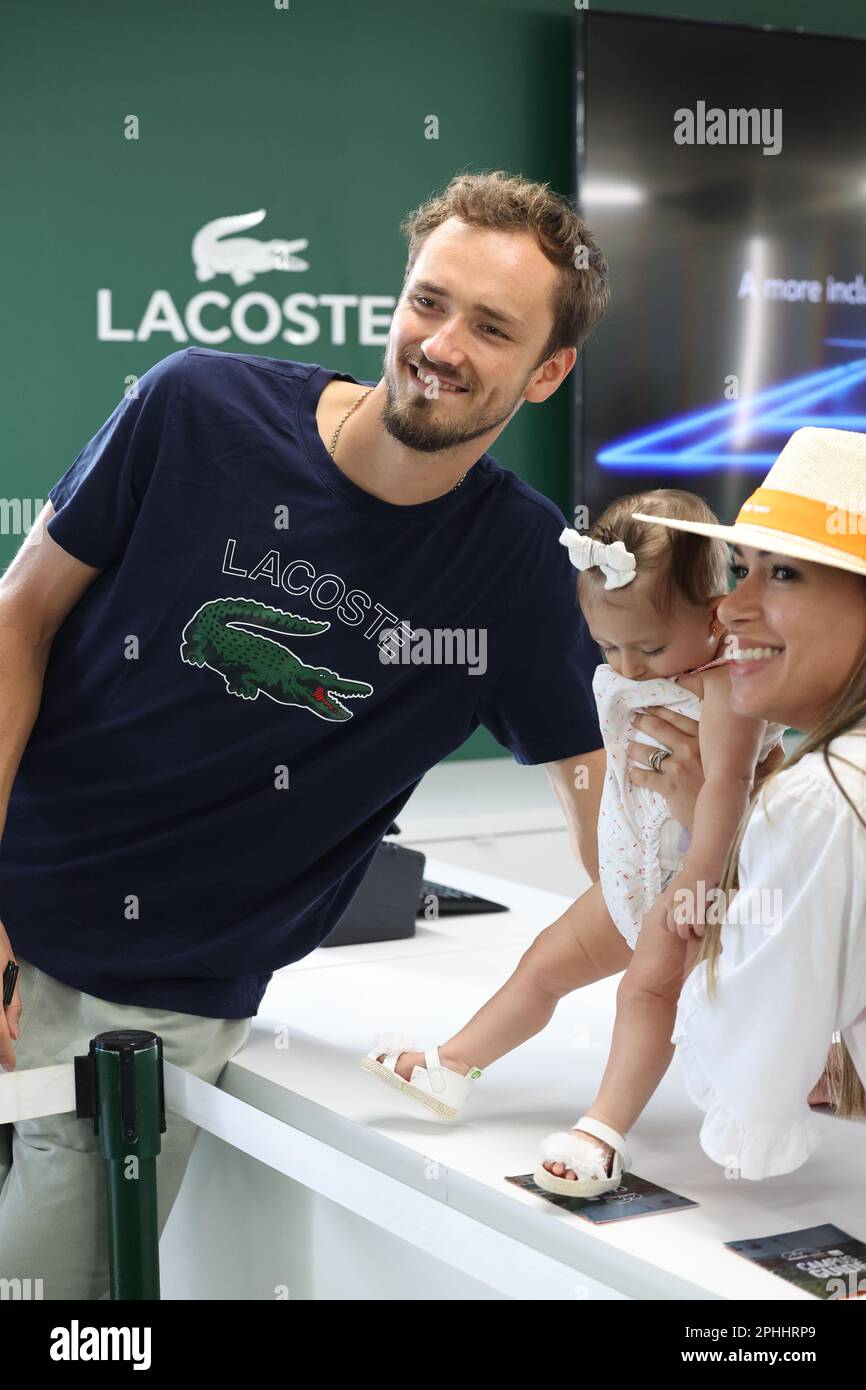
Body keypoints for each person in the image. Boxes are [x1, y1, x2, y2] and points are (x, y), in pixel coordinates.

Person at [0, 170, 637, 1299]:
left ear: (547, 371)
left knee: (52, 1305)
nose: (441, 345)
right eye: (428, 302)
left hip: (150, 1008)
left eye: (491, 328)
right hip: (13, 904)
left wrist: (773, 983)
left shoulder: (515, 572)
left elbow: (626, 854)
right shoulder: (195, 406)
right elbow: (19, 619)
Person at [362, 488, 786, 1198]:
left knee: (645, 992)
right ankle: (453, 1066)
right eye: (607, 646)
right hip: (632, 877)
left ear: (717, 613)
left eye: (649, 647)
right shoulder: (646, 662)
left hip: (693, 883)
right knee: (542, 966)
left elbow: (726, 788)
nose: (627, 665)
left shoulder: (726, 684)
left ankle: (603, 1132)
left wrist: (698, 880)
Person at [653, 426, 866, 1179]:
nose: (729, 609)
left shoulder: (823, 796)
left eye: (783, 576)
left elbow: (752, 1092)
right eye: (741, 569)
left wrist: (716, 861)